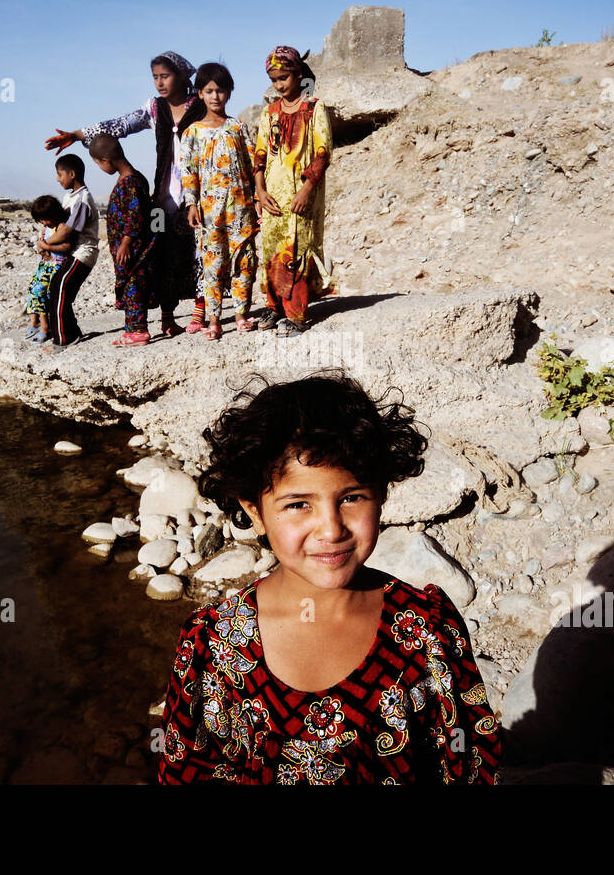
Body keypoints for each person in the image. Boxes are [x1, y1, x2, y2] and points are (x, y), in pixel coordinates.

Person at [158, 371, 501, 784]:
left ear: (382, 495)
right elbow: (185, 769)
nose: (331, 529)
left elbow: (468, 760)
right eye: (299, 504)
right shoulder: (209, 646)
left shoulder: (427, 627)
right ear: (254, 512)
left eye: (352, 497)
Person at [45, 52, 206, 337]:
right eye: (155, 77)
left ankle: (200, 311)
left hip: (199, 190)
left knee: (199, 250)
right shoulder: (154, 109)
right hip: (164, 197)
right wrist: (78, 134)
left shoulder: (201, 106)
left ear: (181, 76)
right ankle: (168, 318)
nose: (159, 83)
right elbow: (121, 124)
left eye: (165, 76)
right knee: (163, 252)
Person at [253, 46, 334, 337]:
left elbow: (323, 153)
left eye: (284, 77)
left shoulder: (314, 108)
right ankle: (275, 307)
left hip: (301, 196)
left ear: (298, 74)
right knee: (272, 251)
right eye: (274, 79)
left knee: (296, 251)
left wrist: (307, 190)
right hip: (273, 196)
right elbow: (260, 155)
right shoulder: (269, 113)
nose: (279, 84)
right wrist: (260, 192)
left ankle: (297, 315)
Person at [180, 62, 259, 341]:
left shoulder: (238, 127)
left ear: (229, 93)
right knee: (213, 263)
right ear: (200, 93)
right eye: (209, 91)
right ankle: (214, 320)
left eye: (221, 91)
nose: (216, 96)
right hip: (210, 212)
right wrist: (191, 204)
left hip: (241, 208)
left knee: (244, 260)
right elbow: (188, 172)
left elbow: (252, 166)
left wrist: (258, 199)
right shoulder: (192, 132)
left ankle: (241, 314)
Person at [89, 133, 156, 347]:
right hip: (127, 246)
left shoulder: (130, 182)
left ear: (105, 160)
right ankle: (131, 329)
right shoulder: (133, 178)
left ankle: (138, 330)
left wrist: (126, 241)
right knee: (128, 284)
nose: (100, 168)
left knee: (132, 284)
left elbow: (135, 214)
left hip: (132, 248)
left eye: (98, 164)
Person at [42, 154, 100, 345]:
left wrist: (46, 244)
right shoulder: (70, 197)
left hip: (84, 252)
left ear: (72, 174)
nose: (58, 179)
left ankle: (63, 339)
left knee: (60, 288)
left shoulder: (82, 199)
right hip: (74, 253)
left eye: (60, 175)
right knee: (59, 289)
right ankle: (73, 331)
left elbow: (67, 231)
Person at [25, 195, 73, 343]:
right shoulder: (47, 228)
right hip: (45, 264)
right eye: (40, 220)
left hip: (56, 265)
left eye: (44, 219)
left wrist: (47, 247)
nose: (42, 223)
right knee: (32, 287)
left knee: (41, 291)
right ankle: (34, 321)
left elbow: (67, 246)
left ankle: (45, 327)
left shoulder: (61, 227)